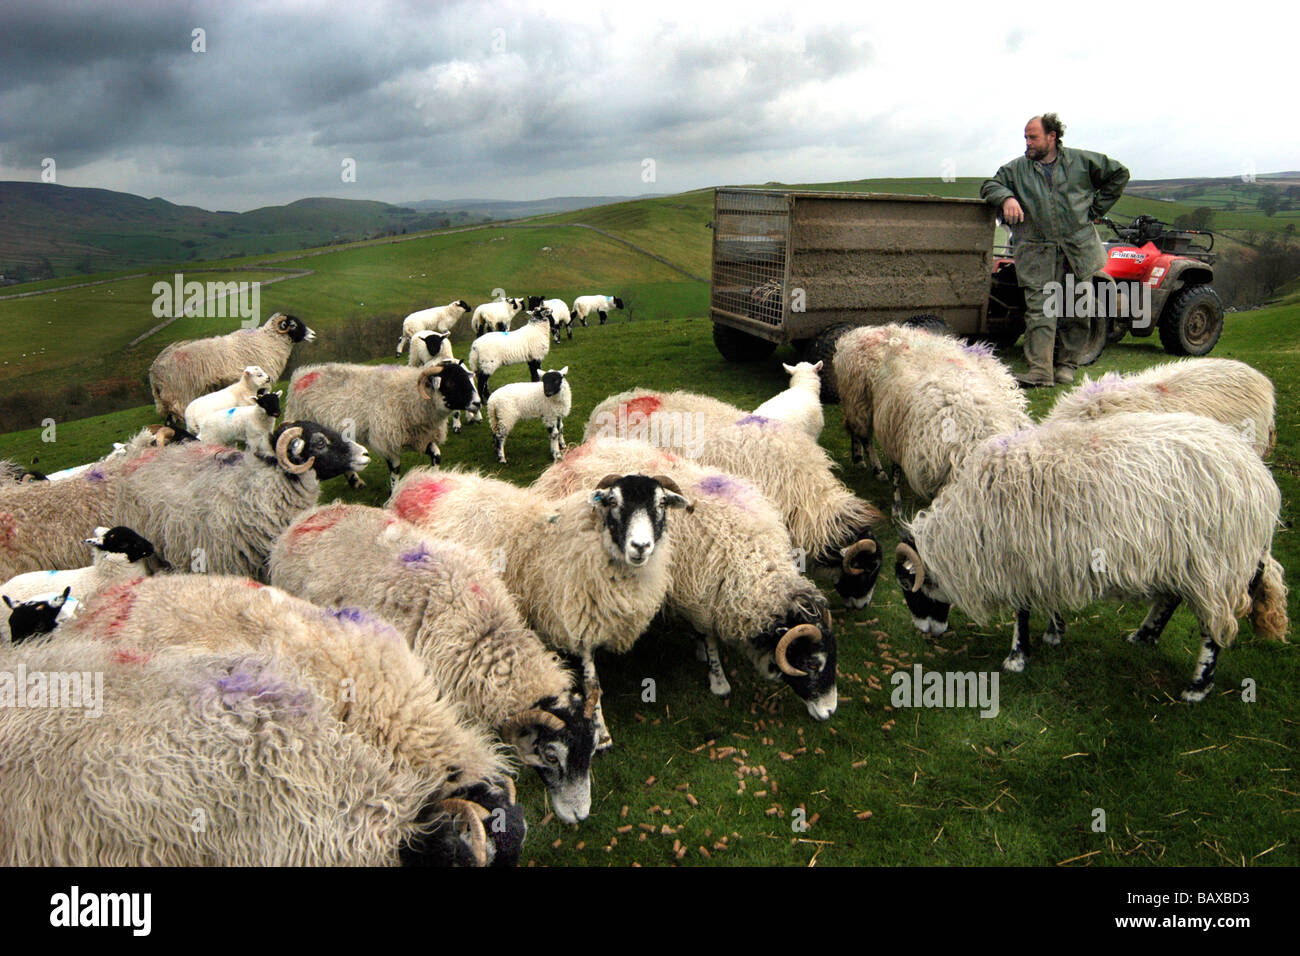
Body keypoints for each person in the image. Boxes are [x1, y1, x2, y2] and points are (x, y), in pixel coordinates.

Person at [981, 114, 1130, 387]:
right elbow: (990, 185)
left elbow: (1118, 173)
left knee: (1077, 309)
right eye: (1025, 137)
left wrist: (1096, 210)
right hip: (1037, 252)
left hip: (1077, 249)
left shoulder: (1081, 162)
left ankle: (1067, 366)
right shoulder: (1017, 170)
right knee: (1040, 312)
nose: (1028, 142)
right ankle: (1040, 372)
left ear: (1052, 136)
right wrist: (1007, 197)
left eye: (1033, 137)